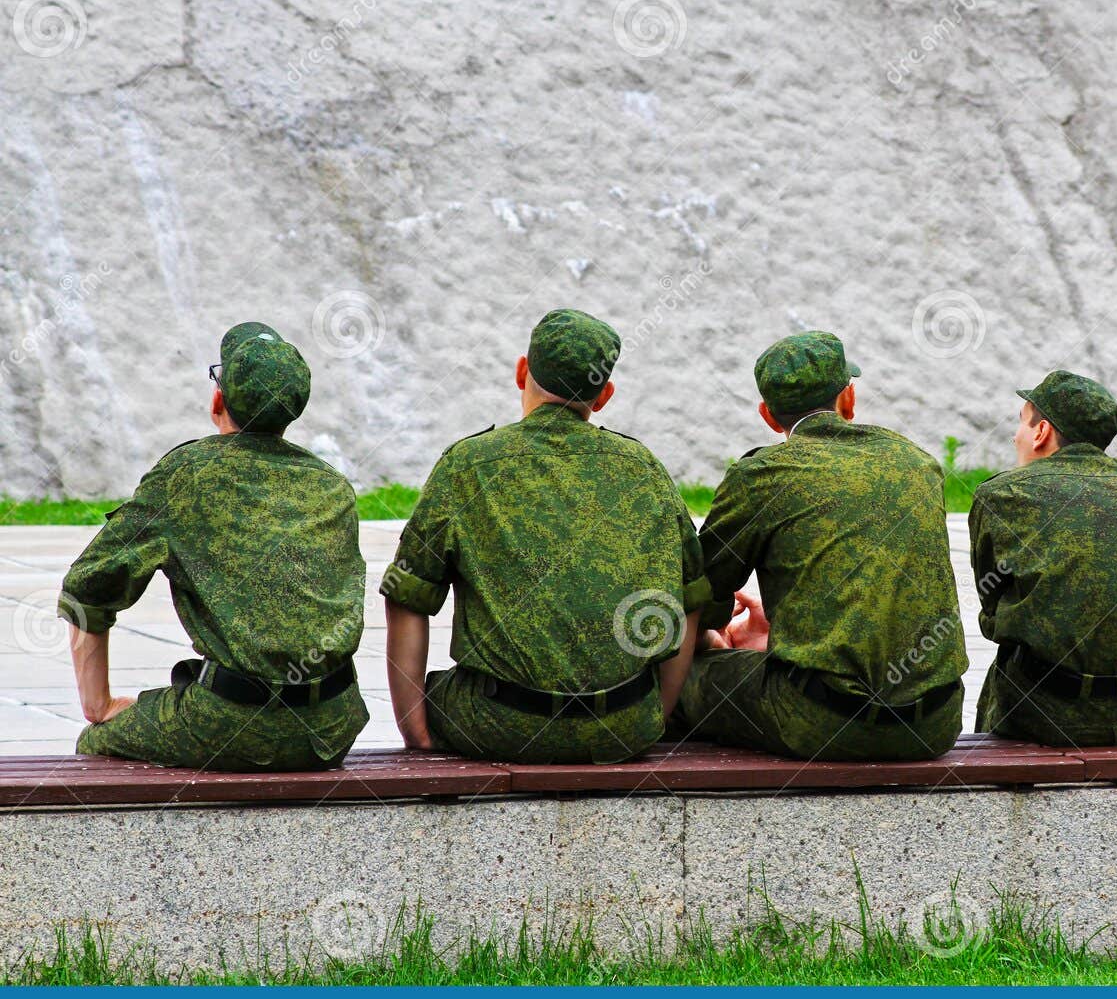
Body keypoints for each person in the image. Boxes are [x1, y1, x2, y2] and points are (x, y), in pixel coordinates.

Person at [382, 308, 707, 764]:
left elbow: (405, 596)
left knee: (440, 690)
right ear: (604, 395)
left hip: (496, 724)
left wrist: (415, 730)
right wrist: (654, 712)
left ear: (521, 371)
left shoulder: (469, 465)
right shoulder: (644, 468)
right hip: (622, 727)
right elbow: (691, 597)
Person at [61, 322, 369, 770]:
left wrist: (99, 706)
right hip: (331, 727)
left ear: (218, 399)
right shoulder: (332, 486)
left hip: (227, 724)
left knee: (96, 742)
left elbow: (88, 585)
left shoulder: (187, 475)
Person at [673, 330, 967, 761]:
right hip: (936, 723)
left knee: (688, 677)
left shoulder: (763, 475)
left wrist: (715, 641)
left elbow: (701, 590)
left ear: (768, 417)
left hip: (820, 721)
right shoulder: (917, 462)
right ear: (848, 398)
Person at [969, 371, 1117, 747]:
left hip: (1044, 711)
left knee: (1007, 668)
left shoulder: (1003, 494)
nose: (1015, 436)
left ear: (1041, 433)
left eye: (1021, 424)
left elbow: (993, 605)